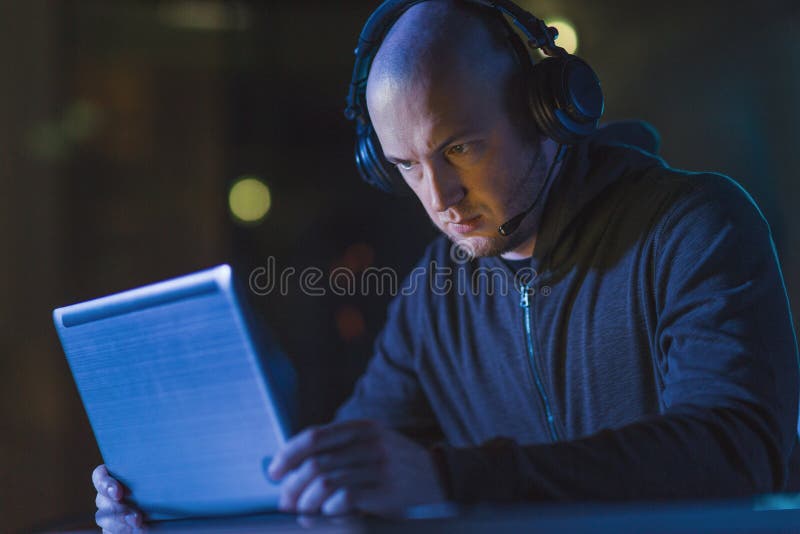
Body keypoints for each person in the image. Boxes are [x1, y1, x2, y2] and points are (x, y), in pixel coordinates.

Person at [92, 0, 800, 530]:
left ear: (547, 112)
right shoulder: (437, 291)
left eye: (460, 148)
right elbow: (358, 472)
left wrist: (449, 477)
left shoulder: (694, 227)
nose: (440, 197)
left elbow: (733, 454)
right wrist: (178, 507)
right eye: (406, 166)